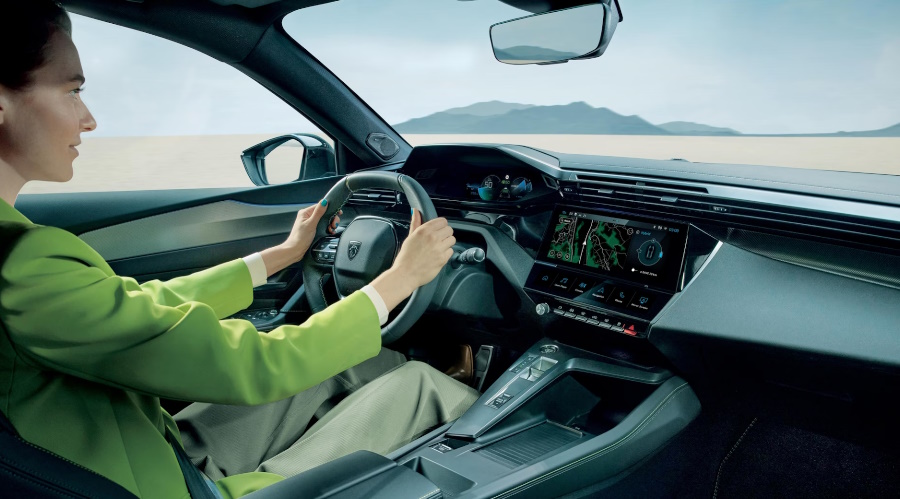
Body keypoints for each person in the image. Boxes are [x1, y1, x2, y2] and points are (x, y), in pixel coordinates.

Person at [0, 2, 479, 498]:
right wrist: (401, 279)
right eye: (72, 91)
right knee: (424, 386)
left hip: (140, 451)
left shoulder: (17, 250)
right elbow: (257, 365)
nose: (89, 119)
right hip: (168, 489)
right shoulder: (27, 265)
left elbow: (143, 310)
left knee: (355, 363)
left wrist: (282, 254)